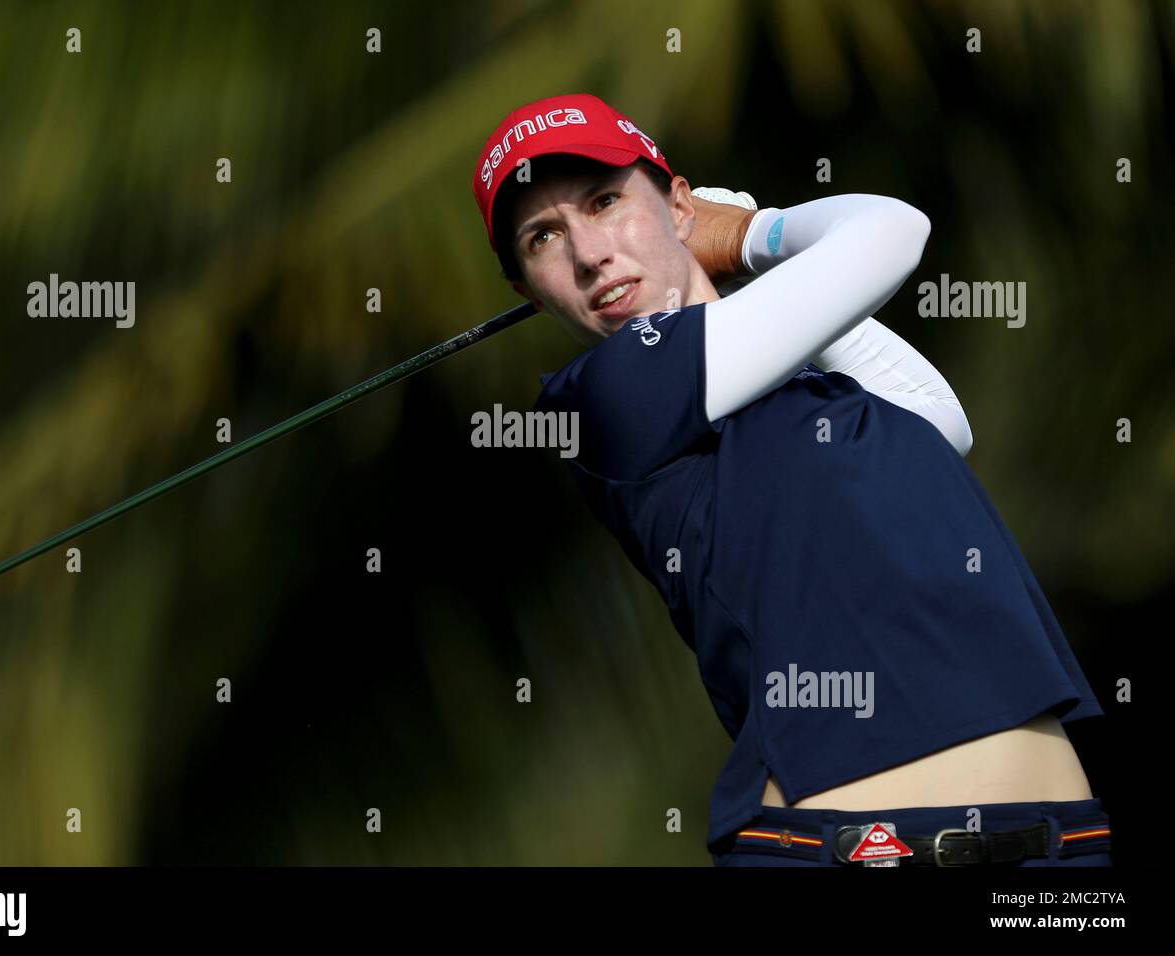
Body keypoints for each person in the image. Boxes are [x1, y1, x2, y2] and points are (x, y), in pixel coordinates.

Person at [471, 93, 1113, 866]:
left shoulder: (802, 392)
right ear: (528, 289)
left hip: (1059, 850)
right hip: (851, 850)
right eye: (544, 237)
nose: (589, 253)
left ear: (678, 205)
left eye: (606, 202)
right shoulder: (612, 394)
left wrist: (747, 267)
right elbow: (893, 231)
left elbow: (938, 422)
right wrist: (750, 234)